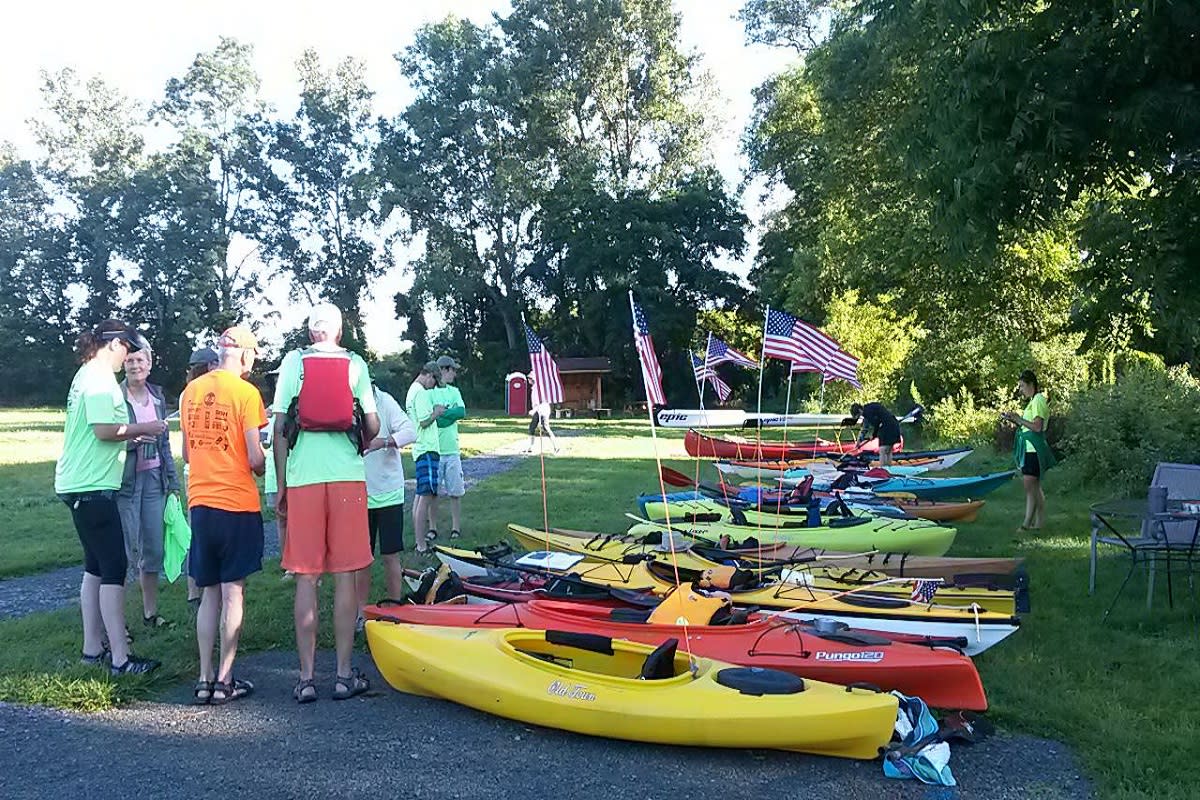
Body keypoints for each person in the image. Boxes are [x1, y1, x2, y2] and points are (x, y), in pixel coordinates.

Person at [273, 302, 380, 703]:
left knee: (306, 575)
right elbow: (371, 424)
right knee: (347, 573)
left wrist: (282, 483)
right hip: (347, 478)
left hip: (304, 479)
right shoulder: (356, 365)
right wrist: (363, 440)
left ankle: (304, 679)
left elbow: (281, 426)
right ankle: (342, 674)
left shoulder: (293, 363)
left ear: (310, 330)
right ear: (339, 330)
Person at [55, 319, 164, 676]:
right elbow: (104, 430)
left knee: (95, 567)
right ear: (115, 344)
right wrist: (146, 428)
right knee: (114, 567)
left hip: (76, 482)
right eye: (128, 350)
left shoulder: (85, 374)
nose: (128, 358)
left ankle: (92, 650)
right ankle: (120, 657)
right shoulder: (101, 378)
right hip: (92, 486)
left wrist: (129, 439)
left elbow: (96, 432)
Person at [180, 326, 267, 704]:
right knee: (234, 592)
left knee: (207, 592)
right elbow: (254, 456)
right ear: (246, 356)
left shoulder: (190, 392)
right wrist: (264, 462)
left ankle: (203, 678)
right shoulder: (247, 393)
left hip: (200, 501)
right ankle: (226, 680)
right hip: (236, 502)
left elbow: (186, 452)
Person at [117, 340, 180, 629]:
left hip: (154, 480)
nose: (135, 365)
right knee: (125, 552)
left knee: (153, 549)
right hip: (124, 482)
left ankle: (150, 614)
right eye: (130, 361)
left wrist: (173, 481)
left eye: (140, 360)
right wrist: (132, 440)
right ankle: (119, 622)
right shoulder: (115, 396)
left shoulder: (157, 396)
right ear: (122, 364)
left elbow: (164, 441)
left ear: (150, 364)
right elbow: (105, 436)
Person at [356, 383, 416, 626]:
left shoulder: (385, 400)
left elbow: (411, 431)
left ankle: (394, 608)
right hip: (360, 492)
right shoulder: (347, 401)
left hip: (389, 492)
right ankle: (361, 611)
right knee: (362, 558)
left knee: (391, 554)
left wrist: (386, 441)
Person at [181, 345, 218, 612]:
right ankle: (205, 588)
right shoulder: (212, 392)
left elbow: (186, 451)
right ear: (210, 366)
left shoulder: (186, 394)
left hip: (193, 475)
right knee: (208, 535)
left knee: (199, 533)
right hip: (213, 473)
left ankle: (196, 589)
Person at [1001, 369, 1056, 532]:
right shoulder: (1033, 401)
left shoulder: (1038, 399)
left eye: (1022, 386)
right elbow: (1028, 426)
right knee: (1034, 486)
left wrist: (1019, 419)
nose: (1020, 390)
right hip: (1029, 448)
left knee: (1029, 485)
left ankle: (1026, 524)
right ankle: (1039, 524)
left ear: (1031, 384)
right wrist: (1015, 420)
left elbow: (1037, 427)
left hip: (1034, 449)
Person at [406, 362, 446, 553]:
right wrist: (436, 412)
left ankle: (419, 540)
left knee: (420, 495)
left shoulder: (412, 390)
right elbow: (423, 421)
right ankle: (421, 544)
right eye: (434, 381)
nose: (433, 386)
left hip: (420, 448)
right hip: (427, 449)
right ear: (428, 375)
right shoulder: (420, 393)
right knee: (427, 495)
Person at [431, 355, 468, 540]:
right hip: (435, 450)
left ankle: (456, 527)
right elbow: (432, 419)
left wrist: (443, 414)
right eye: (453, 370)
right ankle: (432, 527)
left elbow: (461, 411)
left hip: (452, 449)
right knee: (433, 493)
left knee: (455, 491)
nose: (454, 373)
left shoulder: (454, 392)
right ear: (444, 370)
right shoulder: (429, 392)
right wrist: (445, 416)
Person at [849, 402, 902, 467]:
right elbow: (864, 429)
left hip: (888, 427)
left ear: (859, 410)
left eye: (857, 416)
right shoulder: (867, 410)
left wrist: (874, 435)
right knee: (887, 450)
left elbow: (877, 423)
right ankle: (888, 468)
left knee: (883, 450)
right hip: (893, 425)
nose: (858, 417)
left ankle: (884, 470)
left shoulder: (868, 412)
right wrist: (858, 443)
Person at [526, 376, 559, 454]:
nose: (528, 380)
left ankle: (556, 447)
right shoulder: (534, 388)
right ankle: (531, 447)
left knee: (545, 428)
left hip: (543, 410)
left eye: (529, 378)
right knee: (532, 427)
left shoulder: (538, 389)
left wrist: (533, 410)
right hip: (537, 411)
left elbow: (540, 402)